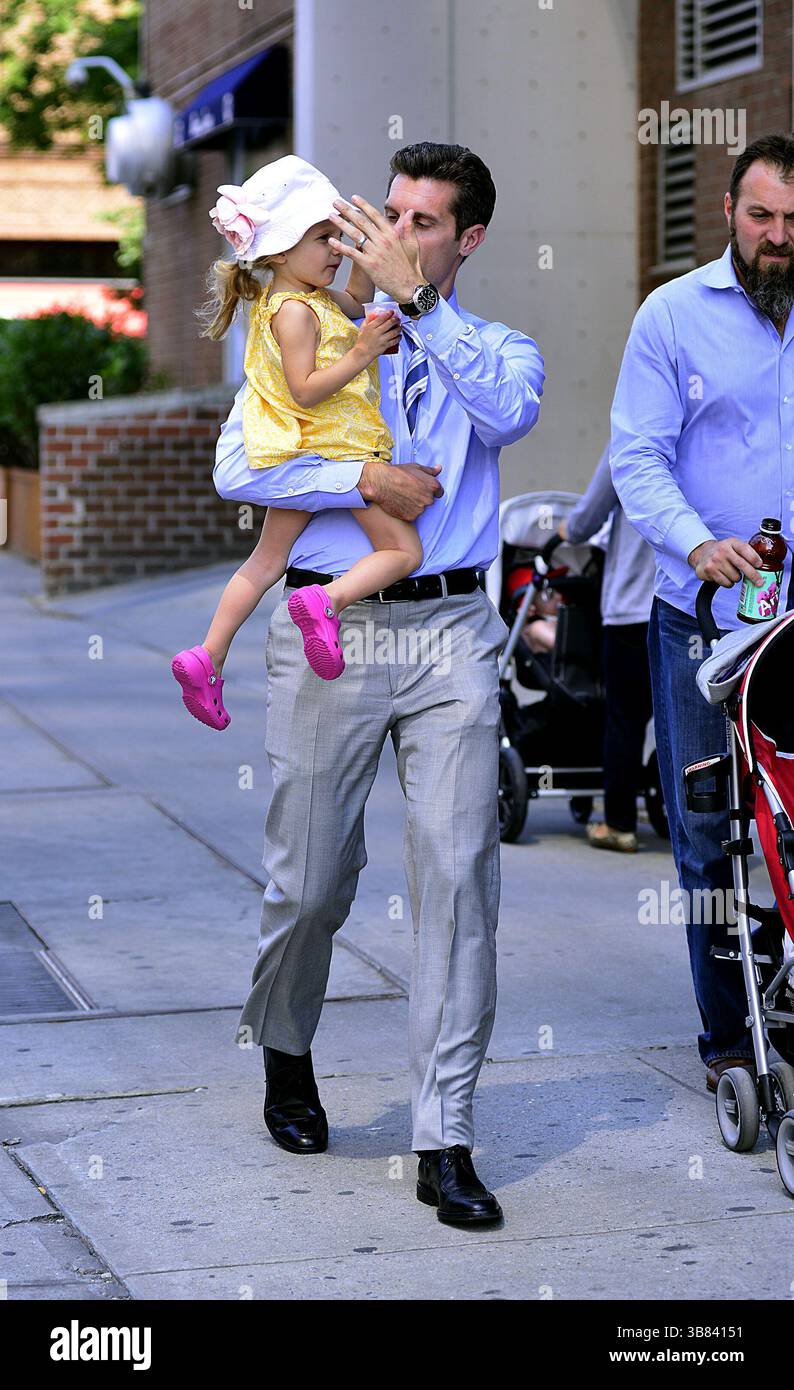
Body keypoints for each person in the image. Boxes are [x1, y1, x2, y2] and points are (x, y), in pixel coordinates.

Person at [214, 142, 544, 1225]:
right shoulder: (300, 325)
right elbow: (238, 468)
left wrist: (424, 316)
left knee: (456, 879)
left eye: (421, 222)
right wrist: (356, 473)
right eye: (386, 213)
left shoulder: (493, 346)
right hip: (330, 621)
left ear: (467, 240)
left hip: (448, 624)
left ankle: (441, 1132)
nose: (392, 237)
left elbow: (506, 416)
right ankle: (284, 1042)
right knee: (306, 880)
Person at [609, 133, 794, 1093]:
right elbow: (637, 455)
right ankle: (731, 1041)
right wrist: (694, 542)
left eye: (793, 222)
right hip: (704, 617)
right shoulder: (673, 316)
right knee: (707, 831)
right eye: (761, 215)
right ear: (728, 211)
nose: (777, 236)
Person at [171, 155, 425, 726]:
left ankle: (207, 655)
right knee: (403, 552)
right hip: (333, 450)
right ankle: (325, 603)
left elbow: (358, 301)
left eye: (338, 237)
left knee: (265, 561)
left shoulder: (311, 299)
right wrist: (361, 354)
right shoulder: (294, 314)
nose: (336, 249)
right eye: (323, 239)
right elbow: (304, 390)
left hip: (303, 454)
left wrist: (371, 247)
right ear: (282, 250)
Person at [559, 445, 656, 852]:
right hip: (695, 606)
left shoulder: (630, 442)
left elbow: (587, 520)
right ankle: (692, 814)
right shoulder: (710, 441)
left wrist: (566, 531)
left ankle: (619, 823)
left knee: (625, 717)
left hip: (633, 605)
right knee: (687, 719)